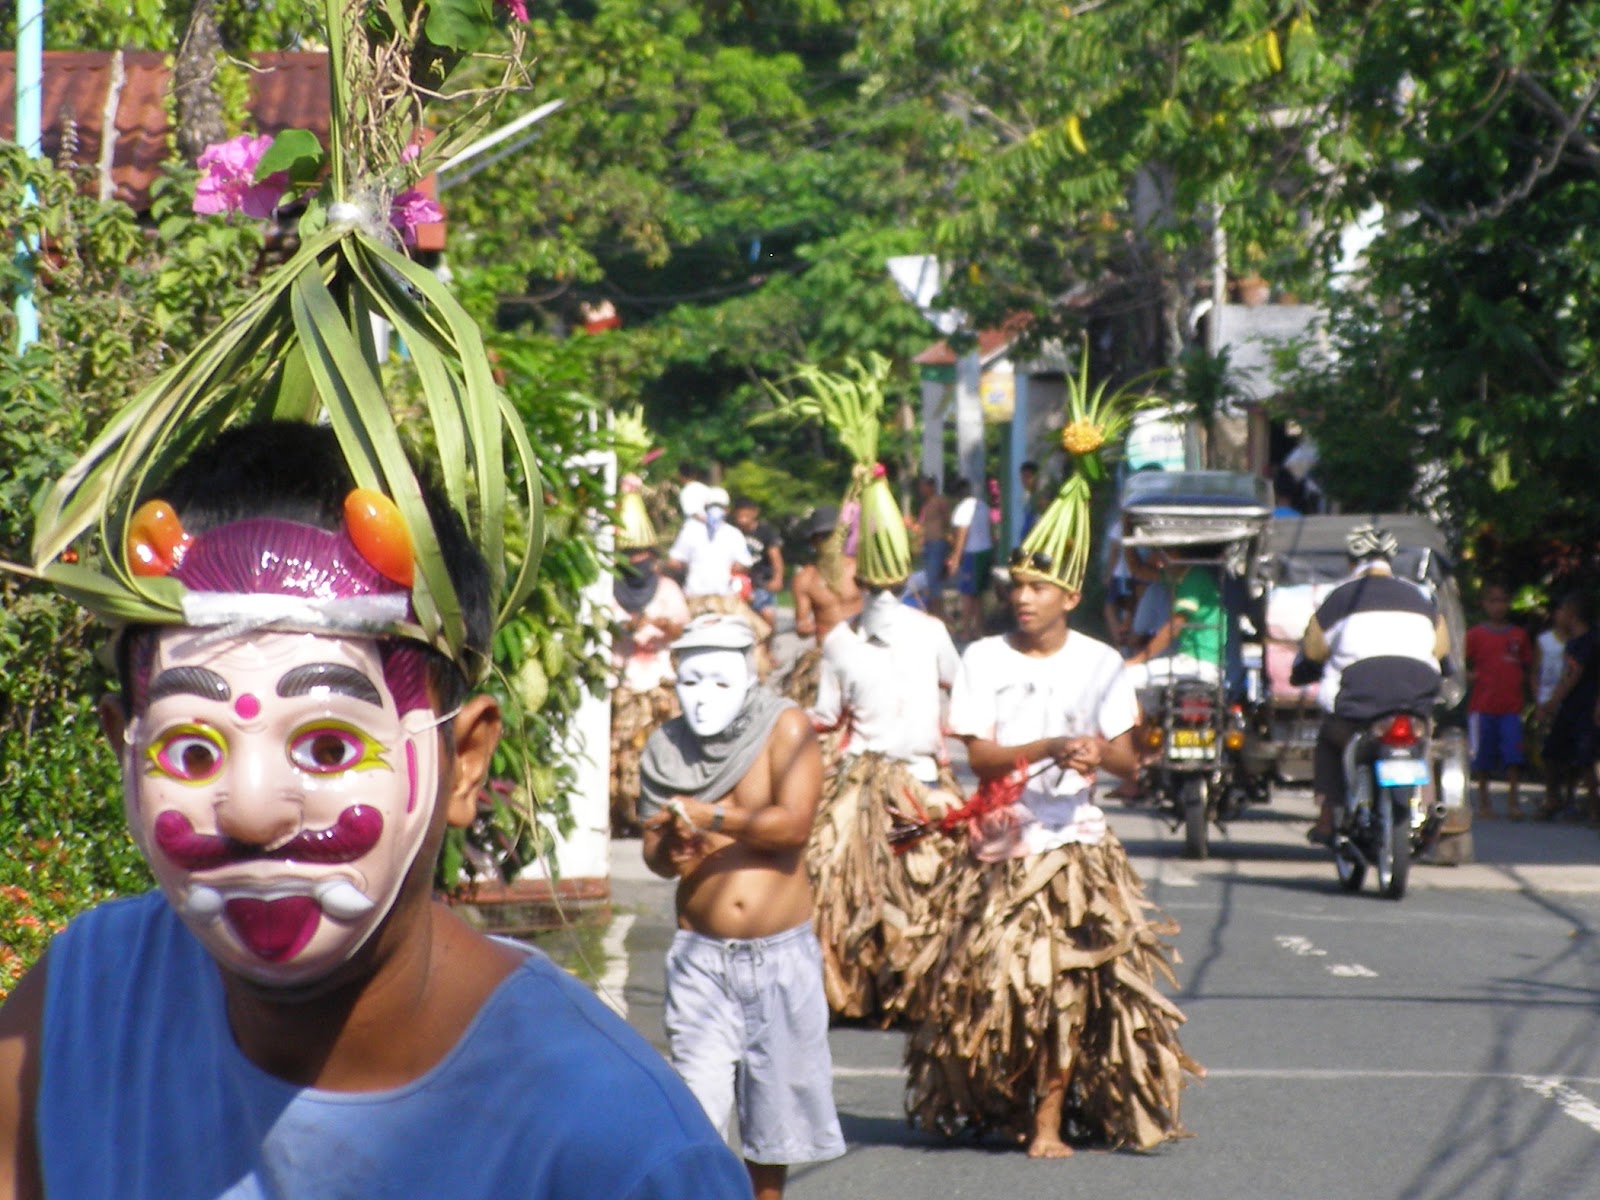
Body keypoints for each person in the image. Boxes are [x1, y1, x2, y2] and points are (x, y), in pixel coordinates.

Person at [0, 425, 750, 1200]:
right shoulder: (77, 1012)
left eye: (327, 748)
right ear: (124, 748)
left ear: (465, 760)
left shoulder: (617, 1157)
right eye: (193, 753)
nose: (255, 812)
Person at [903, 405, 1200, 1159]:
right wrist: (1048, 744)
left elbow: (1132, 762)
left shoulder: (1102, 662)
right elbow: (980, 759)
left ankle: (1048, 1122)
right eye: (1018, 584)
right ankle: (1006, 1104)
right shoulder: (982, 659)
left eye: (1040, 587)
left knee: (1069, 991)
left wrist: (1099, 755)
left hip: (1076, 851)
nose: (1024, 596)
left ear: (1070, 597)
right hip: (1001, 851)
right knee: (997, 987)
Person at [639, 615, 846, 1200]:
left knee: (774, 1118)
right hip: (701, 957)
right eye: (691, 681)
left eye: (719, 681)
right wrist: (671, 846)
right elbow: (655, 856)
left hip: (779, 956)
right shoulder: (666, 748)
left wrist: (713, 818)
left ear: (749, 674)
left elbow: (794, 826)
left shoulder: (786, 728)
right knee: (696, 1106)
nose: (703, 696)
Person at [807, 469, 962, 1023]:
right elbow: (957, 689)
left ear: (862, 583)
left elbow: (825, 716)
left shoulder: (839, 640)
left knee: (830, 878)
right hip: (915, 778)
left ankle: (856, 991)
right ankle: (915, 992)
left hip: (867, 779)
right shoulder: (931, 630)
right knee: (929, 884)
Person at [1299, 523, 1451, 845]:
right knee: (1422, 742)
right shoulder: (1420, 597)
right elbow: (1441, 648)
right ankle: (1427, 808)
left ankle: (1327, 820)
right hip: (1417, 694)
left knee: (1329, 739)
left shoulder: (1340, 597)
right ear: (1390, 561)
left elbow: (1313, 650)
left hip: (1360, 699)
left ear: (1352, 561)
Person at [609, 481, 691, 835]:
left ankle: (650, 814)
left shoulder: (668, 589)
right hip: (621, 684)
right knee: (619, 754)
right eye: (630, 555)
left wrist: (661, 624)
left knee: (654, 751)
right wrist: (627, 626)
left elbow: (682, 629)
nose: (636, 562)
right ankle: (619, 815)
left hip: (657, 684)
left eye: (643, 554)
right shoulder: (606, 589)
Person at [1463, 581, 1532, 820]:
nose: (1498, 606)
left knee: (1514, 757)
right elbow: (1460, 665)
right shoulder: (1474, 635)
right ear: (1484, 604)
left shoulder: (1519, 636)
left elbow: (1528, 668)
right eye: (1493, 601)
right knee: (1483, 759)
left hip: (1511, 707)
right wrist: (1469, 676)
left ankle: (1514, 803)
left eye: (1502, 600)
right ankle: (1484, 803)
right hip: (1482, 707)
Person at [784, 504, 861, 707]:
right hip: (827, 655)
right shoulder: (805, 579)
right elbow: (801, 624)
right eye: (822, 536)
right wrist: (804, 627)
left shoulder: (858, 569)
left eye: (831, 535)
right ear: (814, 540)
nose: (827, 542)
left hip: (862, 651)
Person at [1122, 547, 1227, 688]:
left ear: (1174, 554)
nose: (1156, 560)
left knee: (1125, 677)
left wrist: (1137, 660)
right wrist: (1126, 528)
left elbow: (1173, 628)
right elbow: (1138, 570)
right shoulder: (1182, 576)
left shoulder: (1193, 580)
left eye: (1158, 553)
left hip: (1197, 664)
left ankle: (1143, 711)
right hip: (1193, 661)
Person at [1535, 595, 1599, 823]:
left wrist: (1552, 703)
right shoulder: (1573, 642)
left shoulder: (1587, 642)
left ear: (1572, 613)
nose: (1557, 616)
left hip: (1584, 706)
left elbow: (1572, 675)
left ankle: (1593, 809)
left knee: (1585, 760)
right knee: (1553, 753)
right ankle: (1556, 799)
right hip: (1570, 707)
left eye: (1561, 611)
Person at [667, 483, 754, 604]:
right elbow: (744, 564)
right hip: (723, 599)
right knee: (755, 623)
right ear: (727, 510)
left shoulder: (690, 530)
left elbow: (673, 563)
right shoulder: (733, 533)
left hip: (695, 597)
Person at [946, 477, 993, 642]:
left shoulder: (962, 509)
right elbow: (992, 530)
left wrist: (955, 559)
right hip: (985, 551)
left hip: (971, 554)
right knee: (978, 594)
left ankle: (966, 631)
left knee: (967, 595)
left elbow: (962, 535)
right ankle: (979, 630)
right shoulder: (983, 505)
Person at [730, 495, 783, 632]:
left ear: (754, 512)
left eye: (746, 513)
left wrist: (777, 578)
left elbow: (775, 557)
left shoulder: (766, 532)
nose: (742, 518)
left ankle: (768, 649)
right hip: (737, 582)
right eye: (739, 514)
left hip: (761, 582)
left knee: (767, 615)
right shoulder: (729, 532)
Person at [914, 474, 952, 623]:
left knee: (933, 580)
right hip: (929, 544)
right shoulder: (927, 503)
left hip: (937, 543)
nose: (921, 489)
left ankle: (940, 615)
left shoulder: (939, 501)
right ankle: (931, 613)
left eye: (923, 486)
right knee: (928, 580)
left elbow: (947, 520)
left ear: (930, 486)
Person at [1017, 460, 1041, 542]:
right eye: (1022, 477)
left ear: (1036, 477)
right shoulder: (1027, 496)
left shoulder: (1040, 498)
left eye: (1028, 476)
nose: (1024, 480)